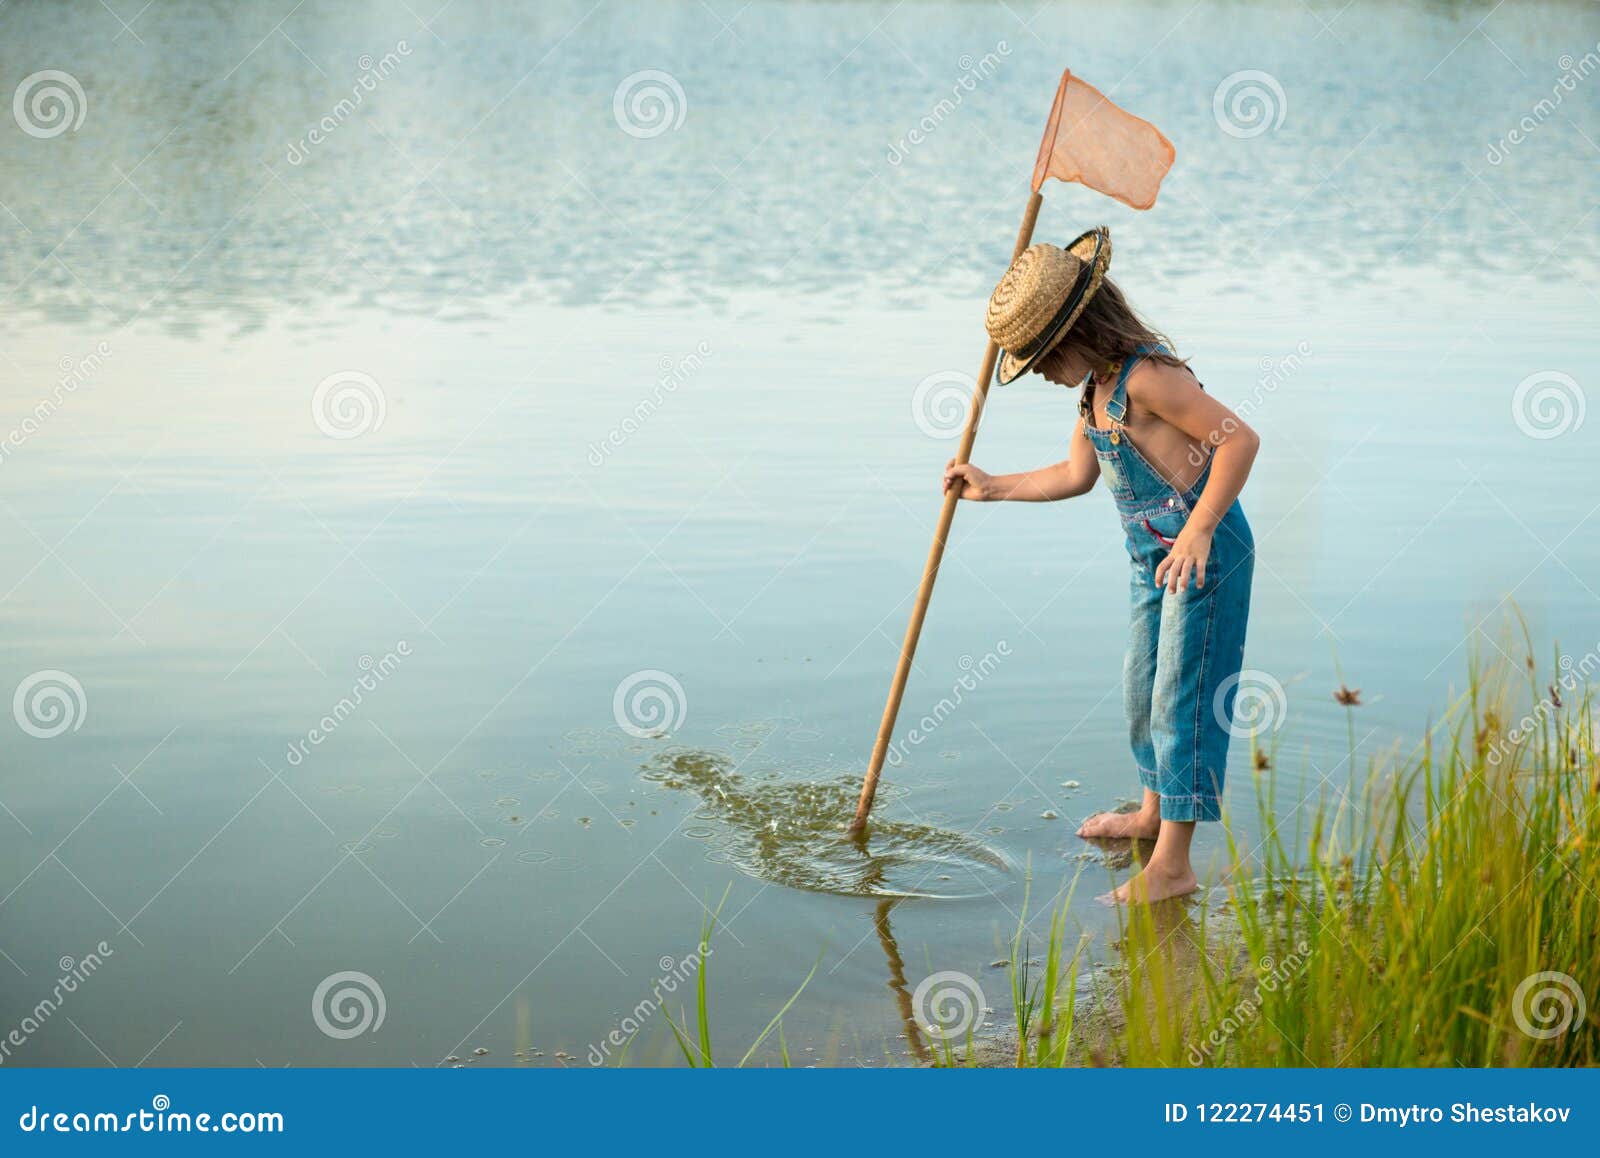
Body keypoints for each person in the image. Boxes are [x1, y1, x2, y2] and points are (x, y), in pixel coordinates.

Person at [944, 227, 1258, 904]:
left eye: (1042, 360)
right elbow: (1074, 473)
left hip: (1205, 553)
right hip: (1152, 560)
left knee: (1185, 695)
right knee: (1143, 687)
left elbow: (1239, 441)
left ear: (1076, 333)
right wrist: (990, 485)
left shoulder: (1151, 379)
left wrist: (1201, 527)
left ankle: (1173, 866)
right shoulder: (1094, 393)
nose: (1044, 374)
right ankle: (1152, 812)